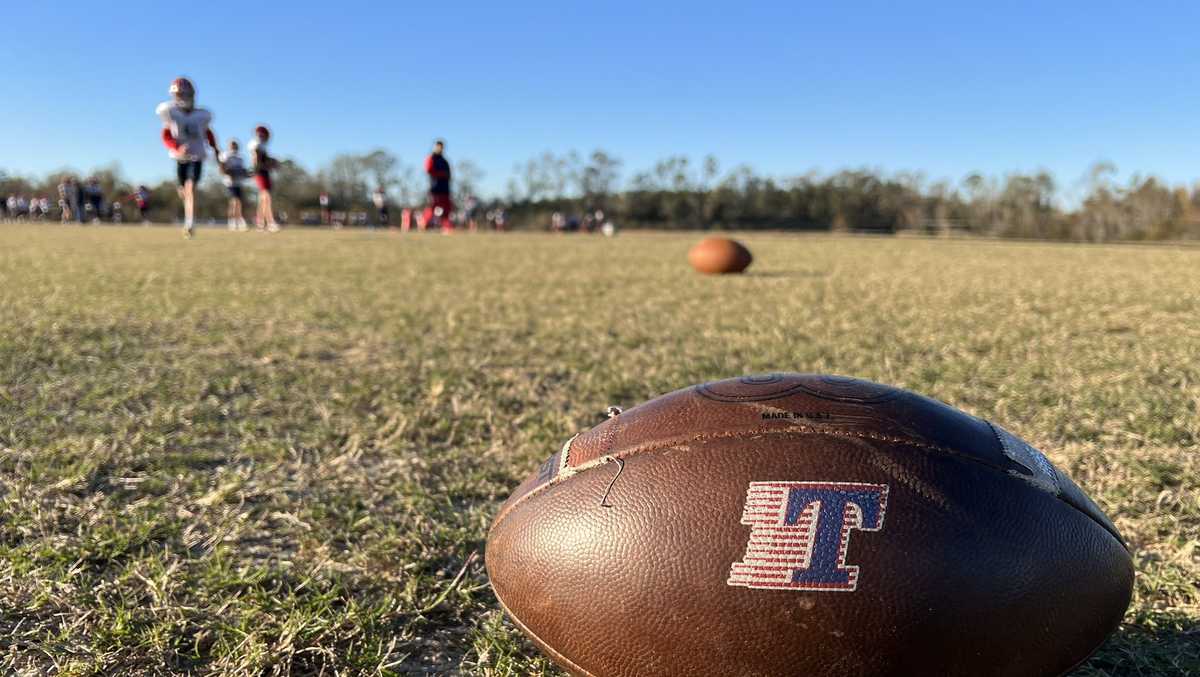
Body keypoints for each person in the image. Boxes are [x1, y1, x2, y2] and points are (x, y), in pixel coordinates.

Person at [156, 76, 219, 238]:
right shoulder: (170, 112)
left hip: (196, 156)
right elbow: (165, 135)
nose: (181, 98)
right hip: (180, 158)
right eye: (179, 95)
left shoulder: (202, 115)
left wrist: (216, 150)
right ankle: (188, 217)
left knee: (190, 189)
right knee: (183, 191)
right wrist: (176, 148)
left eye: (184, 94)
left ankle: (189, 223)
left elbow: (208, 133)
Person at [248, 124, 279, 232]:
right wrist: (267, 164)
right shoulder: (256, 145)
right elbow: (256, 162)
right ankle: (270, 222)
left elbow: (263, 161)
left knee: (262, 199)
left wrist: (272, 162)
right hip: (260, 173)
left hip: (264, 173)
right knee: (267, 196)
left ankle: (260, 223)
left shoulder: (262, 146)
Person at [219, 139, 249, 231]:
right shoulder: (225, 155)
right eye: (232, 145)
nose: (234, 146)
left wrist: (246, 174)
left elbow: (243, 170)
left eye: (235, 145)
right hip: (230, 182)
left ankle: (236, 220)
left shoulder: (240, 157)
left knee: (237, 201)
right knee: (235, 200)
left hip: (239, 182)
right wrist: (228, 173)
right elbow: (222, 168)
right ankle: (234, 220)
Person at [423, 139, 453, 232]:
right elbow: (428, 170)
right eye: (438, 146)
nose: (440, 148)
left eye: (442, 147)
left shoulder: (444, 161)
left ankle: (446, 227)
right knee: (432, 207)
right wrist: (441, 174)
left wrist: (446, 176)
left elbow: (449, 174)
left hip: (445, 189)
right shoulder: (431, 158)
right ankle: (425, 225)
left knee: (447, 208)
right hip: (435, 188)